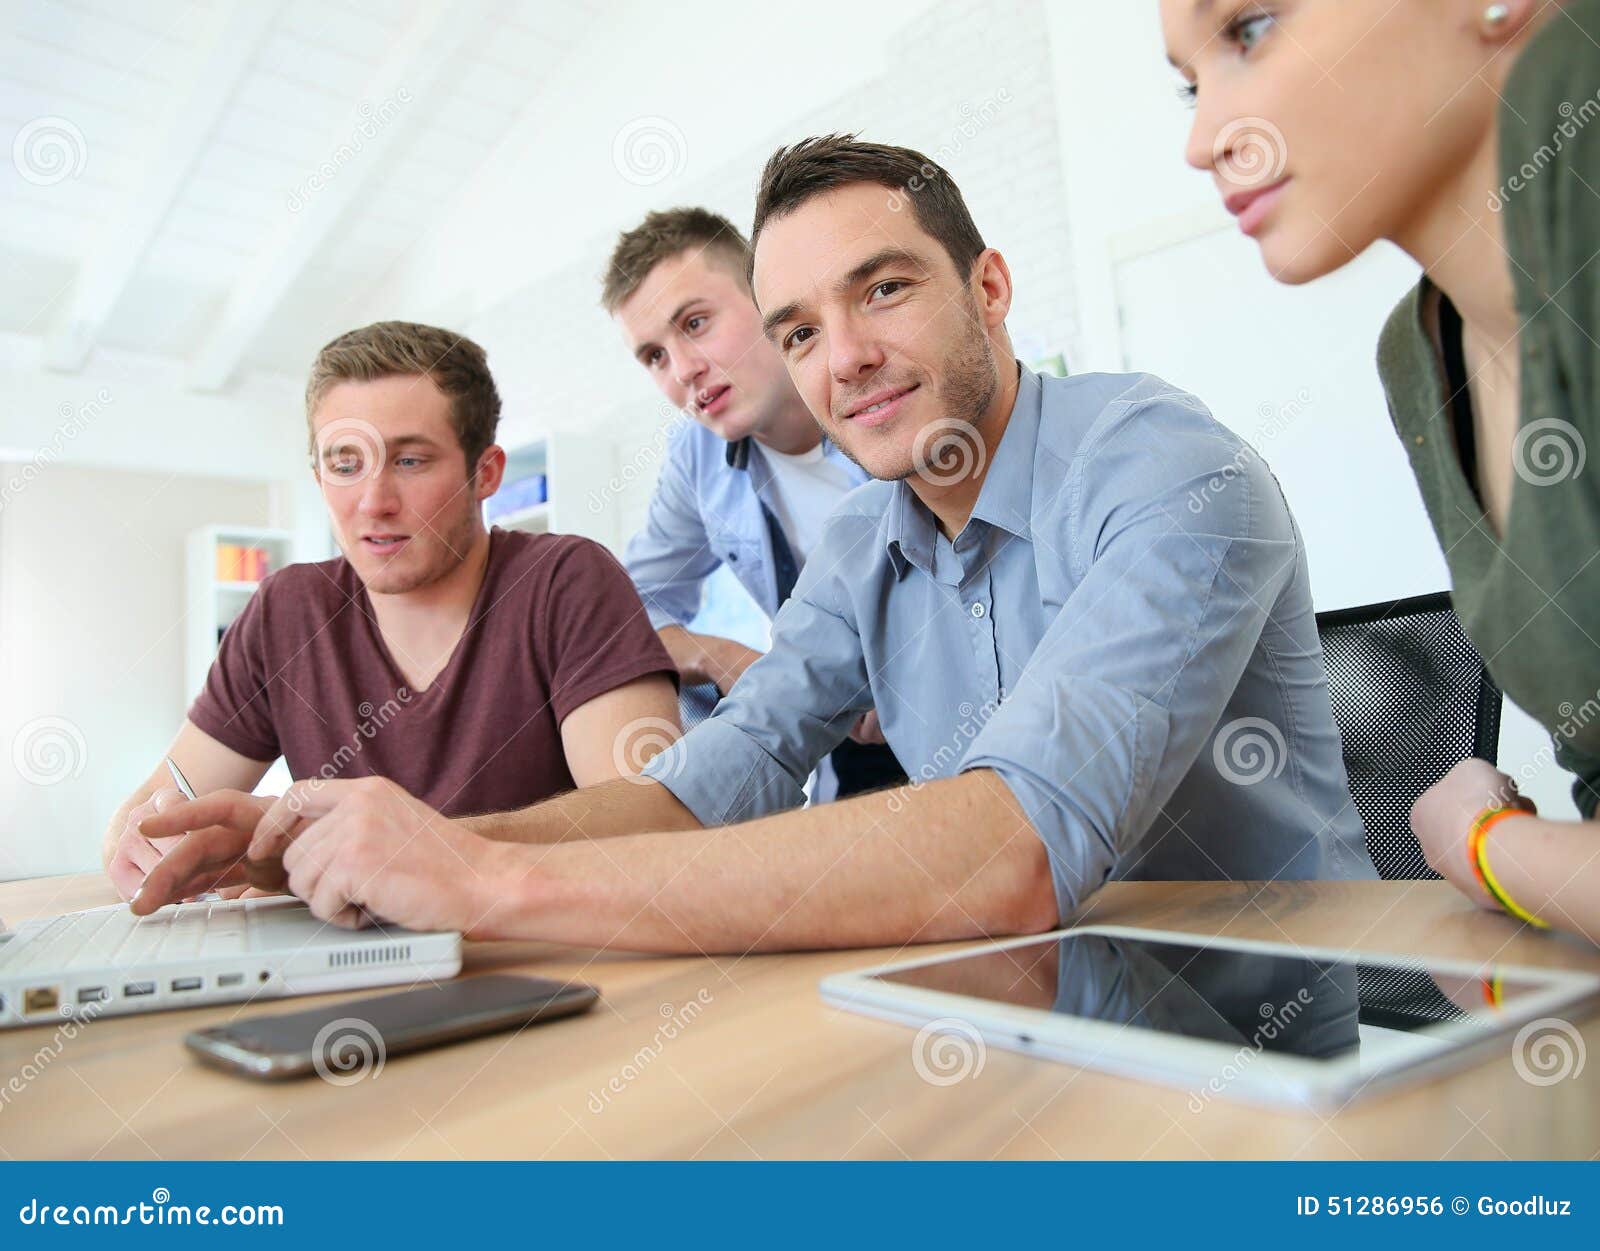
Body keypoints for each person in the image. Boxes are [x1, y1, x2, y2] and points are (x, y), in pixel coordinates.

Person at [133, 136, 1372, 949]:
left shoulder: (1161, 465)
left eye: (883, 289)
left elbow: (1011, 853)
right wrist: (385, 836)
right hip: (1027, 1012)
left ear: (986, 289)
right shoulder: (862, 542)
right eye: (796, 329)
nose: (842, 359)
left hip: (1294, 1028)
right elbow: (700, 790)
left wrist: (490, 886)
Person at [1163, 0, 1600, 940]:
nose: (1204, 139)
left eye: (1249, 29)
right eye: (1189, 85)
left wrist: (1491, 848)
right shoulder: (1419, 353)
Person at [104, 321, 679, 901]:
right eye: (345, 464)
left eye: (409, 461)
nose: (373, 503)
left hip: (541, 966)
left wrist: (394, 852)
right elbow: (147, 820)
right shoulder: (285, 613)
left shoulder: (567, 583)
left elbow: (651, 820)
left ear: (486, 473)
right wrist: (145, 843)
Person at [604, 207, 903, 795]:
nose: (684, 370)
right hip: (851, 749)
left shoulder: (880, 387)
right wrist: (719, 655)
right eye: (654, 356)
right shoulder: (696, 457)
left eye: (695, 324)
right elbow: (626, 611)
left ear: (767, 298)